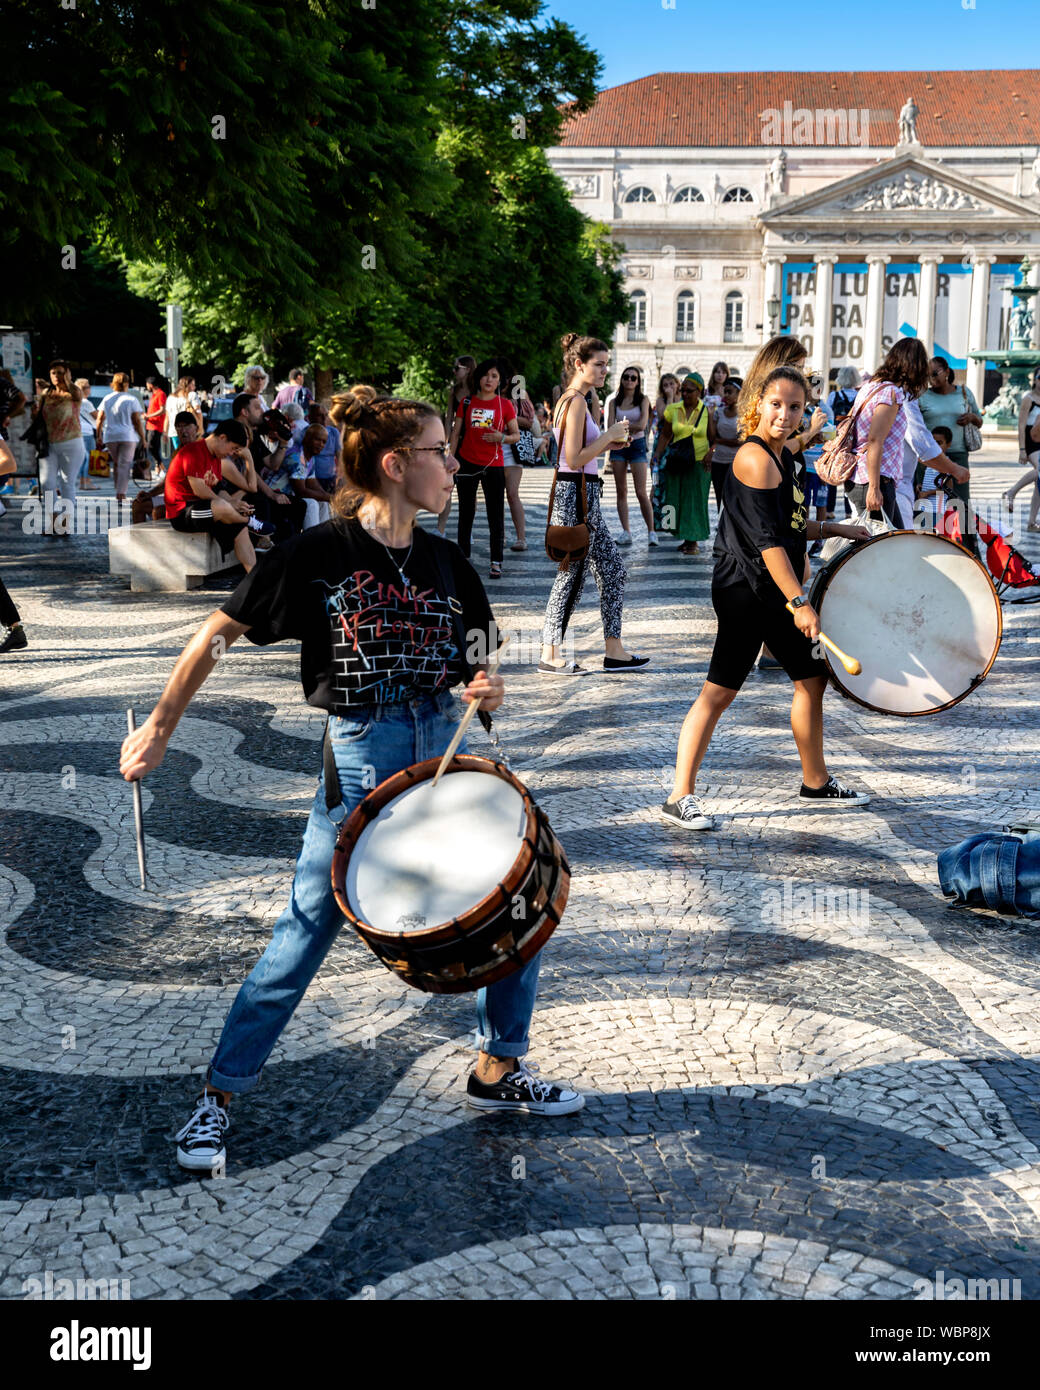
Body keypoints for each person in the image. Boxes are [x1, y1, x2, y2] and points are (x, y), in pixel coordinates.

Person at [121, 391, 584, 1174]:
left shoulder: (448, 562)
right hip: (362, 759)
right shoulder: (318, 552)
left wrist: (488, 687)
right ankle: (218, 1097)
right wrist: (160, 727)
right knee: (304, 934)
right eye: (440, 451)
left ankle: (499, 1068)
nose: (453, 463)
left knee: (517, 904)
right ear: (397, 465)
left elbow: (480, 660)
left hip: (444, 750)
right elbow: (217, 634)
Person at [661, 365, 873, 831]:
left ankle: (815, 782)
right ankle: (680, 796)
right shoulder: (755, 458)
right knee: (718, 692)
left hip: (775, 589)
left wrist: (834, 528)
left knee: (812, 678)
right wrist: (801, 604)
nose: (786, 414)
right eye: (777, 404)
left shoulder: (784, 456)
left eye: (795, 407)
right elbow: (767, 542)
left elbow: (790, 526)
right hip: (745, 591)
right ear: (757, 403)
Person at [539, 334, 649, 676]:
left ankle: (613, 650)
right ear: (578, 364)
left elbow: (583, 453)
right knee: (570, 572)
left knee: (611, 569)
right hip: (574, 494)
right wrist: (608, 435)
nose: (605, 371)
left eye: (606, 364)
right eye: (599, 364)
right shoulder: (574, 402)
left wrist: (610, 443)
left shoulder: (578, 401)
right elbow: (572, 458)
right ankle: (550, 651)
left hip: (584, 492)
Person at [838, 339, 931, 531]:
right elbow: (874, 440)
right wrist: (874, 487)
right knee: (878, 549)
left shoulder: (871, 386)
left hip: (867, 478)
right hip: (873, 480)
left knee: (895, 543)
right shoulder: (891, 393)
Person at [448, 358, 518, 579]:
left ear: (500, 382)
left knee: (495, 515)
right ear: (478, 378)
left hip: (494, 465)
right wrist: (450, 458)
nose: (489, 379)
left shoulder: (505, 405)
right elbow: (456, 433)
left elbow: (515, 435)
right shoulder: (466, 402)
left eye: (495, 376)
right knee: (465, 512)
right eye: (486, 375)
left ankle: (496, 561)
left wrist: (502, 437)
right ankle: (462, 558)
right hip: (467, 462)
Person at [163, 419, 257, 573]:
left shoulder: (216, 458)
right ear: (222, 438)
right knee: (222, 506)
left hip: (206, 509)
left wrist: (234, 503)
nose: (232, 453)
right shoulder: (193, 451)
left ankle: (254, 577)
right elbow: (199, 489)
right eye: (233, 448)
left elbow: (218, 489)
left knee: (240, 528)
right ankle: (251, 522)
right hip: (183, 512)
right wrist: (229, 505)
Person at [917, 356, 982, 552]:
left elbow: (979, 421)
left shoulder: (963, 392)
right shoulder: (923, 396)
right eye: (928, 376)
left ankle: (969, 550)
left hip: (958, 454)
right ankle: (927, 547)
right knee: (927, 503)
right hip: (930, 458)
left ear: (946, 371)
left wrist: (971, 417)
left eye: (935, 374)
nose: (931, 379)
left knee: (960, 503)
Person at [653, 373, 715, 555]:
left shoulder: (706, 412)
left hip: (698, 464)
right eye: (683, 390)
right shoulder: (673, 409)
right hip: (677, 461)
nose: (686, 394)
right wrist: (657, 454)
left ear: (700, 391)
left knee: (695, 502)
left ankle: (693, 541)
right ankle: (684, 536)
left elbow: (713, 439)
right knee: (675, 499)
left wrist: (711, 453)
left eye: (690, 391)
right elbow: (665, 434)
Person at [607, 365, 656, 547]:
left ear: (638, 381)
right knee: (621, 491)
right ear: (621, 379)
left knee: (641, 491)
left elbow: (643, 424)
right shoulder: (614, 402)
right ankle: (626, 531)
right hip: (618, 446)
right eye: (626, 377)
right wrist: (627, 427)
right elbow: (610, 427)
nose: (629, 380)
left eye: (633, 378)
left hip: (637, 445)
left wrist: (623, 427)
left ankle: (651, 531)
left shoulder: (643, 399)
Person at [35, 361, 84, 537]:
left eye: (60, 372)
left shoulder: (73, 391)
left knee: (66, 483)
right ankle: (54, 521)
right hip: (48, 444)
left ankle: (64, 523)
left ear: (68, 373)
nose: (57, 376)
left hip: (71, 442)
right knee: (46, 483)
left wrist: (68, 380)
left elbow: (78, 397)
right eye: (54, 372)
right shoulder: (46, 393)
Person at [438, 357, 475, 537]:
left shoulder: (478, 391)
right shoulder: (454, 391)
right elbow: (448, 418)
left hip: (474, 443)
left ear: (468, 369)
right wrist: (444, 443)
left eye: (457, 368)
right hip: (456, 441)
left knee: (468, 491)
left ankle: (467, 530)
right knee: (447, 484)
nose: (454, 371)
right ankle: (440, 529)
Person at [96, 373, 147, 505]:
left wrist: (98, 435)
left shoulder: (107, 398)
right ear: (127, 384)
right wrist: (143, 438)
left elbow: (100, 418)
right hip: (127, 436)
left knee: (117, 463)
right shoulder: (131, 399)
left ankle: (118, 489)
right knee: (124, 464)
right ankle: (121, 492)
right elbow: (136, 421)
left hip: (110, 436)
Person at [1005, 367, 1040, 532]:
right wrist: (1022, 449)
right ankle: (1011, 492)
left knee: (1039, 483)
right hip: (1031, 442)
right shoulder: (1028, 398)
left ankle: (1031, 523)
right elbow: (1020, 425)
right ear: (1035, 380)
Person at [288, 424, 335, 528]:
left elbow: (312, 483)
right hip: (278, 496)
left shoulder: (309, 457)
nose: (321, 445)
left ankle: (323, 538)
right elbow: (301, 491)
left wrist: (329, 498)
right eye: (318, 440)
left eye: (324, 442)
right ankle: (312, 541)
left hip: (291, 497)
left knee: (324, 503)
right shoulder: (296, 456)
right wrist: (331, 498)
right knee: (311, 503)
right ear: (307, 438)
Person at [708, 375, 743, 512]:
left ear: (739, 394)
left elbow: (740, 441)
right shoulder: (719, 412)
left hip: (736, 461)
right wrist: (710, 416)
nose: (726, 395)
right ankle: (721, 523)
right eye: (725, 392)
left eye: (729, 392)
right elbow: (712, 436)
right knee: (719, 494)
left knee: (734, 495)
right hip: (718, 461)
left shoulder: (744, 415)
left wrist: (720, 440)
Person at [165, 376, 202, 449]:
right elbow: (198, 412)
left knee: (180, 453)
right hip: (189, 430)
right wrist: (200, 428)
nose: (194, 387)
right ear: (186, 385)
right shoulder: (192, 395)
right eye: (193, 384)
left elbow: (167, 416)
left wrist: (165, 432)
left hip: (174, 430)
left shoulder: (170, 398)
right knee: (190, 453)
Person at [75, 379, 98, 491]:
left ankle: (82, 482)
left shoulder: (75, 401)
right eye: (88, 387)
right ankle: (87, 482)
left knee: (82, 459)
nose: (90, 389)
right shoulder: (86, 403)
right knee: (89, 458)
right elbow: (97, 417)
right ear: (83, 389)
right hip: (87, 433)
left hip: (78, 432)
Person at [144, 375, 168, 471]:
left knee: (151, 447)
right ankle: (158, 466)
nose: (146, 387)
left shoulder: (160, 394)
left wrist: (148, 416)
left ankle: (160, 465)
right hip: (151, 424)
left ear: (150, 385)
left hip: (156, 425)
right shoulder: (154, 395)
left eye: (147, 385)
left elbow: (163, 410)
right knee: (153, 447)